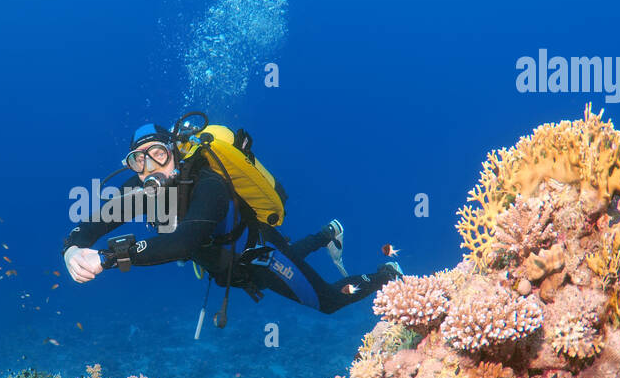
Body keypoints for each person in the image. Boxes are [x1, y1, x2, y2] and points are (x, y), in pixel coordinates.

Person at [62, 120, 401, 318]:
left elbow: (183, 243)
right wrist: (72, 249)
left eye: (159, 154)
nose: (150, 168)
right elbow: (93, 223)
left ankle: (386, 273)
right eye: (139, 160)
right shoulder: (140, 189)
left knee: (327, 301)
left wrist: (107, 258)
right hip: (227, 266)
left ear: (175, 153)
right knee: (294, 255)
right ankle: (327, 234)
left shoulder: (209, 184)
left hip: (260, 257)